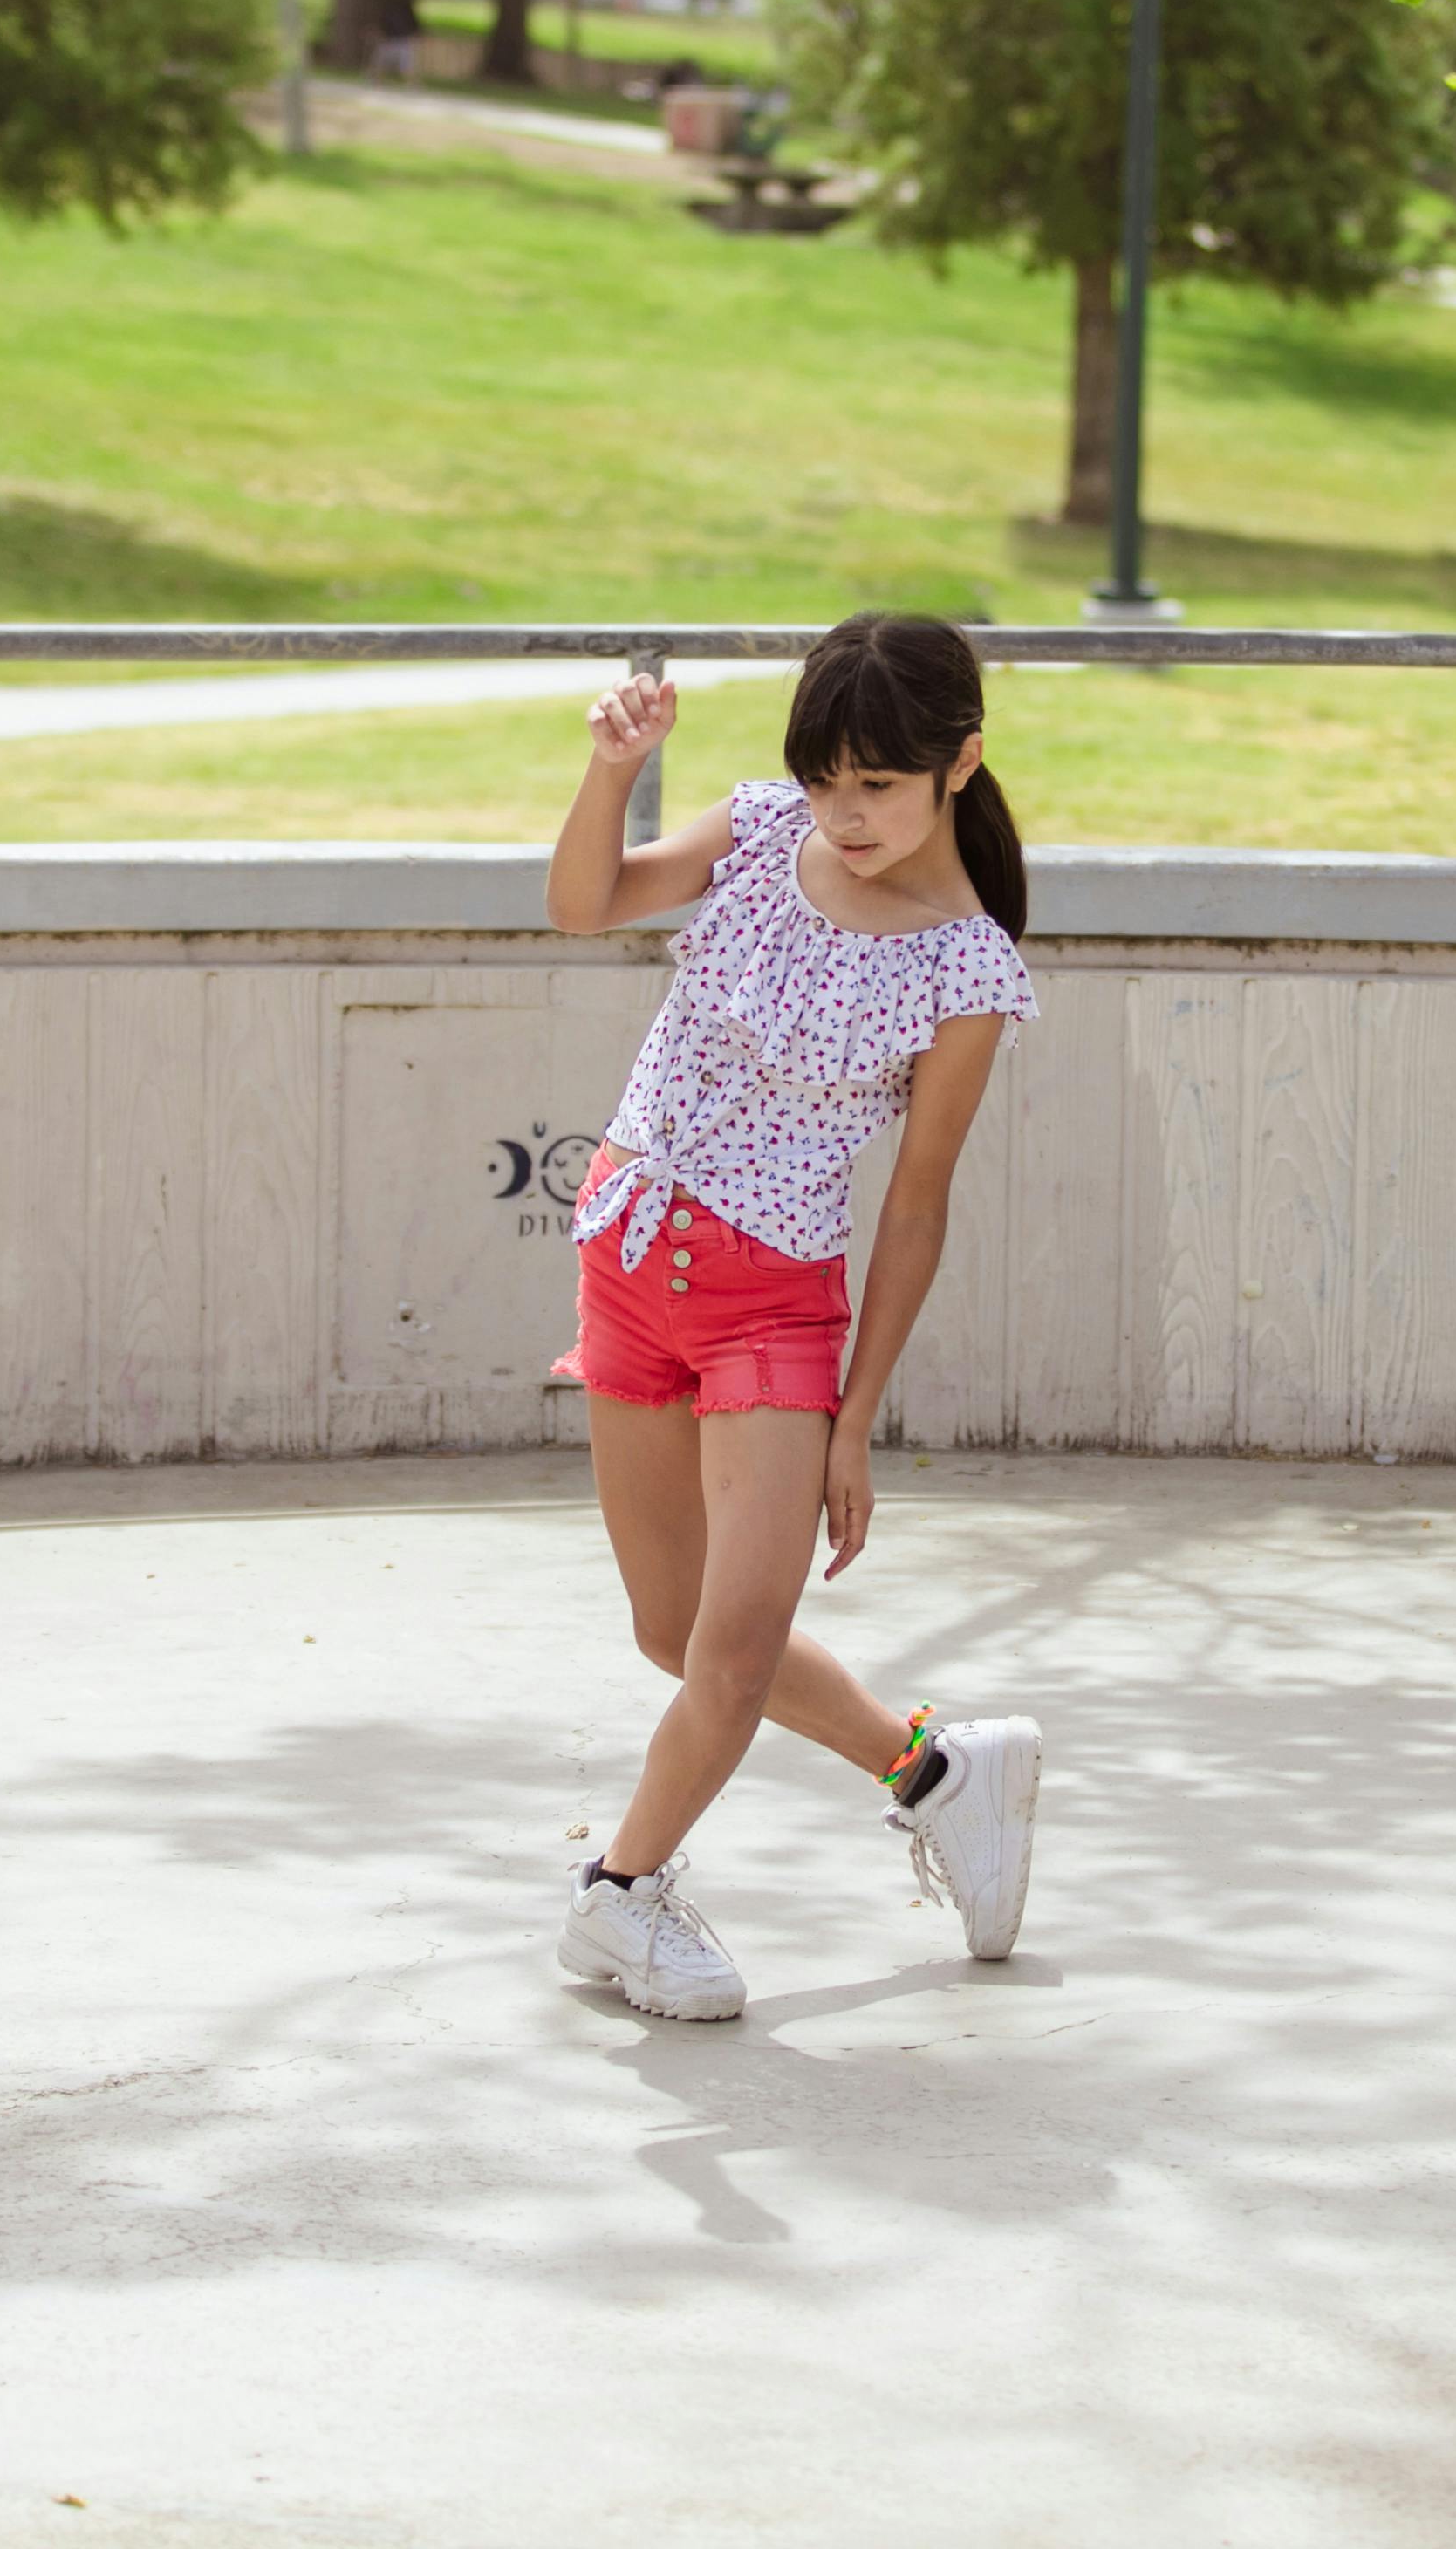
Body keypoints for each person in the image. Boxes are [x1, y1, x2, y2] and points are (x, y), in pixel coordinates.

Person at [541, 614, 1044, 2021]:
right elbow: (585, 903)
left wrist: (854, 1419)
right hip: (631, 1261)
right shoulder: (760, 832)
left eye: (878, 784)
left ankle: (618, 1895)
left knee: (740, 1643)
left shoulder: (968, 969)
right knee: (678, 1627)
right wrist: (610, 771)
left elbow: (916, 1205)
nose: (847, 813)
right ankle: (938, 1771)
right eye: (828, 780)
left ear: (960, 765)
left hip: (774, 1305)